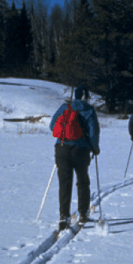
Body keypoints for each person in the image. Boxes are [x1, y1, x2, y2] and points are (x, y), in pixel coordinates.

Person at [49, 86, 100, 231]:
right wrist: (95, 148)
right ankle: (83, 213)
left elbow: (52, 126)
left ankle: (63, 216)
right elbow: (93, 132)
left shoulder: (64, 108)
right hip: (81, 150)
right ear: (86, 97)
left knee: (64, 183)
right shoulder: (89, 110)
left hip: (62, 148)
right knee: (82, 181)